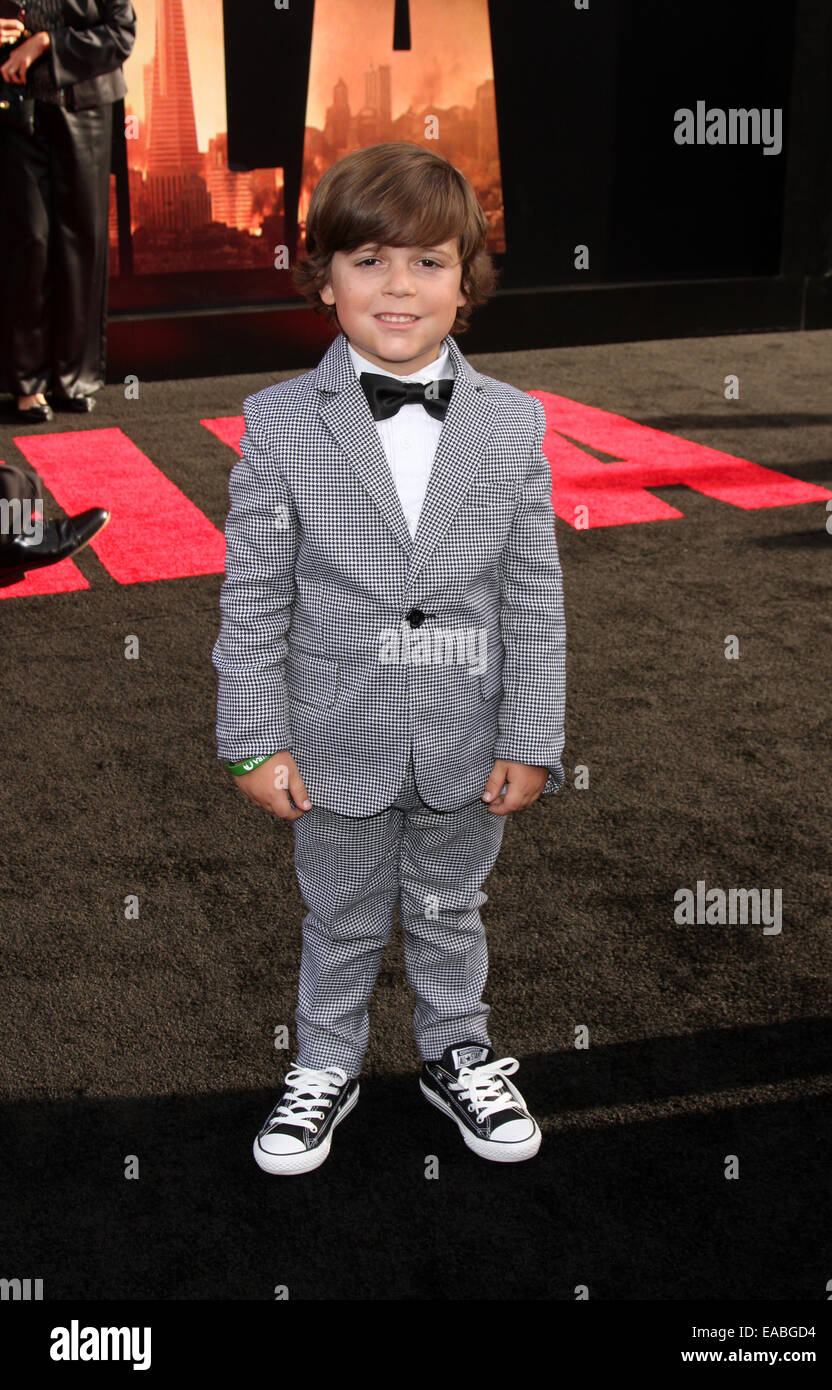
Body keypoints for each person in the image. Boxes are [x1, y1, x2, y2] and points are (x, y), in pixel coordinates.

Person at [211, 142, 567, 1175]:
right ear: (322, 278)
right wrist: (251, 741)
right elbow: (254, 597)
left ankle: (458, 1052)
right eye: (368, 261)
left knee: (452, 909)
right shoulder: (278, 422)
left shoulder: (512, 423)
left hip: (467, 733)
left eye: (428, 262)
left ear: (468, 284)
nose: (398, 287)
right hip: (332, 740)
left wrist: (532, 735)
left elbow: (533, 597)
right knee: (341, 913)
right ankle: (322, 1065)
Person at [0, 2, 136, 422]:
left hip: (86, 109)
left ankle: (72, 380)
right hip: (13, 111)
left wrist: (47, 43)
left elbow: (121, 34)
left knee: (83, 241)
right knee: (29, 241)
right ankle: (27, 385)